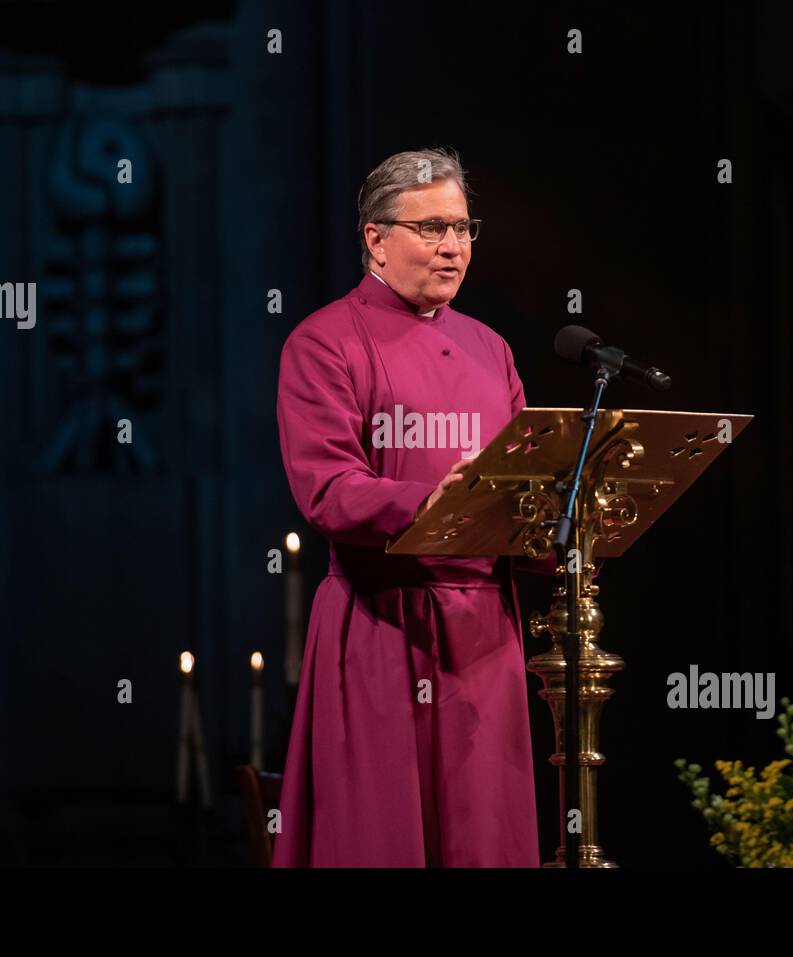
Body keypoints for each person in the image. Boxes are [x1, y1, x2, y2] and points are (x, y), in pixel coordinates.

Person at [272, 148, 541, 867]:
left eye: (462, 227)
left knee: (484, 836)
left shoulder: (490, 349)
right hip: (380, 620)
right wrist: (436, 502)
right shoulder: (324, 341)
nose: (453, 246)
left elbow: (524, 489)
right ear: (375, 238)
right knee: (381, 839)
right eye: (430, 229)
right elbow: (327, 488)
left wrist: (560, 517)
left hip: (486, 632)